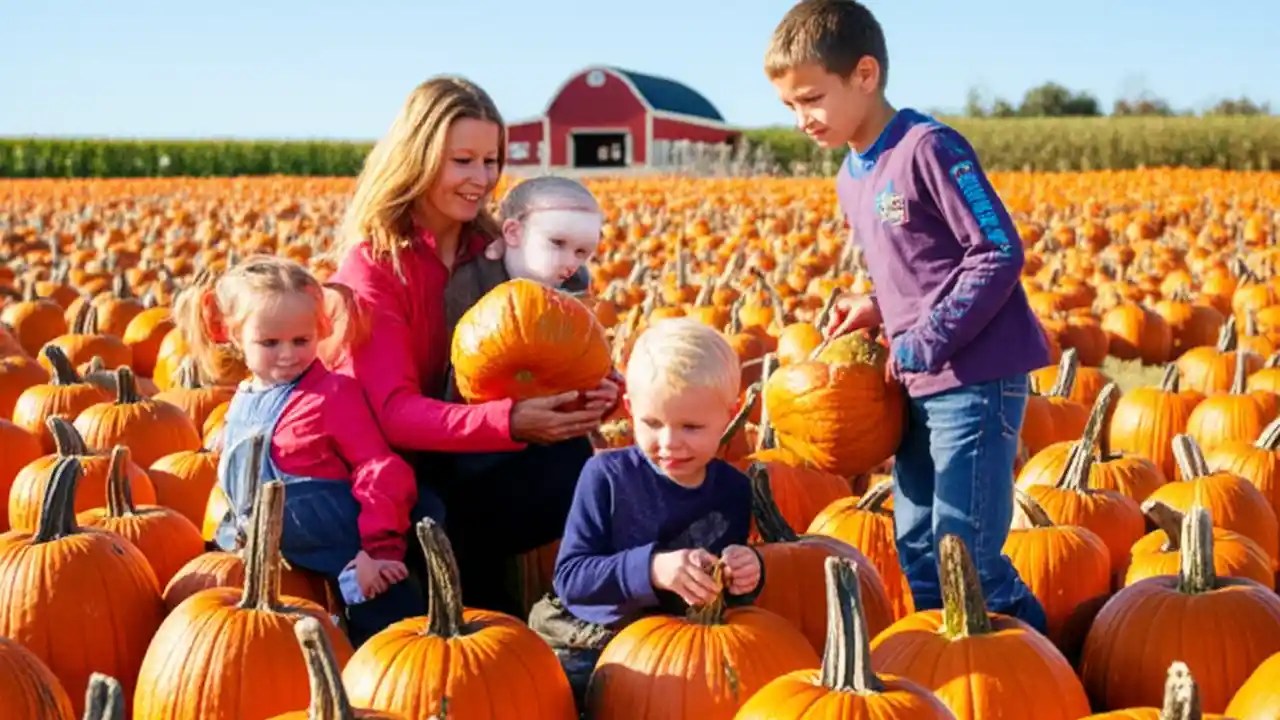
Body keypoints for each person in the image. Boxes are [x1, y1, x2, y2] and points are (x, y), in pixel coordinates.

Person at [764, 0, 1050, 633]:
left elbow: (999, 251)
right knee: (918, 547)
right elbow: (918, 265)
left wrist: (927, 334)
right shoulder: (851, 174)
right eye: (789, 106)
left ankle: (1050, 670)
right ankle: (946, 668)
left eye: (811, 99)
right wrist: (876, 306)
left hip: (974, 378)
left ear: (865, 75)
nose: (800, 119)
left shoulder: (929, 147)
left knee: (967, 556)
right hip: (914, 384)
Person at [327, 76, 619, 617]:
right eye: (463, 161)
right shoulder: (374, 266)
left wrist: (597, 388)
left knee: (573, 463)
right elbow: (392, 414)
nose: (481, 179)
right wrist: (510, 424)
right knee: (430, 519)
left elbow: (552, 346)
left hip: (463, 456)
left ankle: (539, 614)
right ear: (418, 159)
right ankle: (450, 629)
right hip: (384, 473)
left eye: (491, 161)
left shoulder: (497, 250)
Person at [175, 254, 433, 646]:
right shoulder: (243, 400)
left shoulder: (332, 396)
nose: (288, 354)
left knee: (388, 642)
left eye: (301, 340)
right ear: (231, 335)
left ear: (320, 330)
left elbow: (379, 469)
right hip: (284, 562)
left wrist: (379, 550)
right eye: (270, 342)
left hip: (351, 558)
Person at [528, 317, 765, 709]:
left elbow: (719, 591)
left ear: (730, 414)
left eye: (691, 427)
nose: (670, 443)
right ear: (629, 408)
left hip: (677, 647)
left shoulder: (733, 491)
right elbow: (571, 578)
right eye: (652, 423)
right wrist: (653, 569)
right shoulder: (605, 476)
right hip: (589, 636)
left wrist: (747, 571)